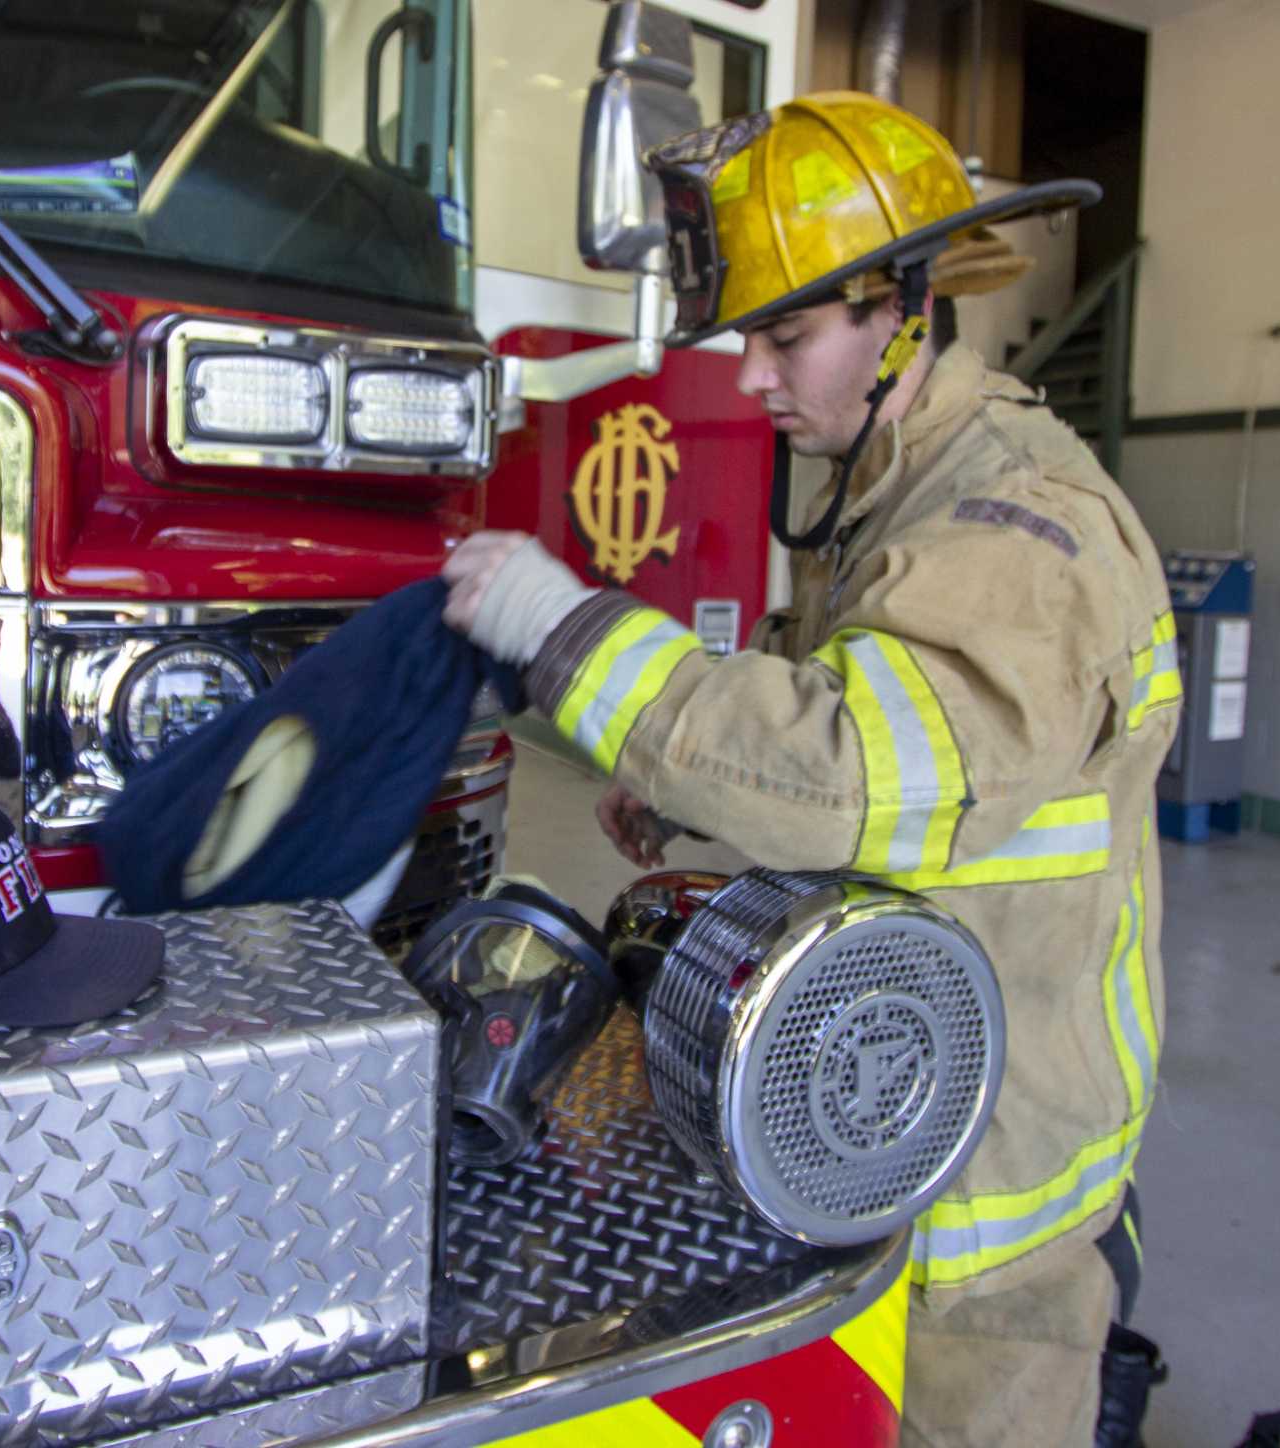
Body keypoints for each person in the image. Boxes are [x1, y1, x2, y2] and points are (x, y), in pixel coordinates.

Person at [441, 93, 1180, 1448]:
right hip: (894, 1093)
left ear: (902, 310)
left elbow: (853, 772)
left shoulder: (1018, 519)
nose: (758, 378)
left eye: (787, 336)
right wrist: (687, 782)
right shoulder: (895, 497)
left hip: (990, 1199)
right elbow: (867, 711)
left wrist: (567, 635)